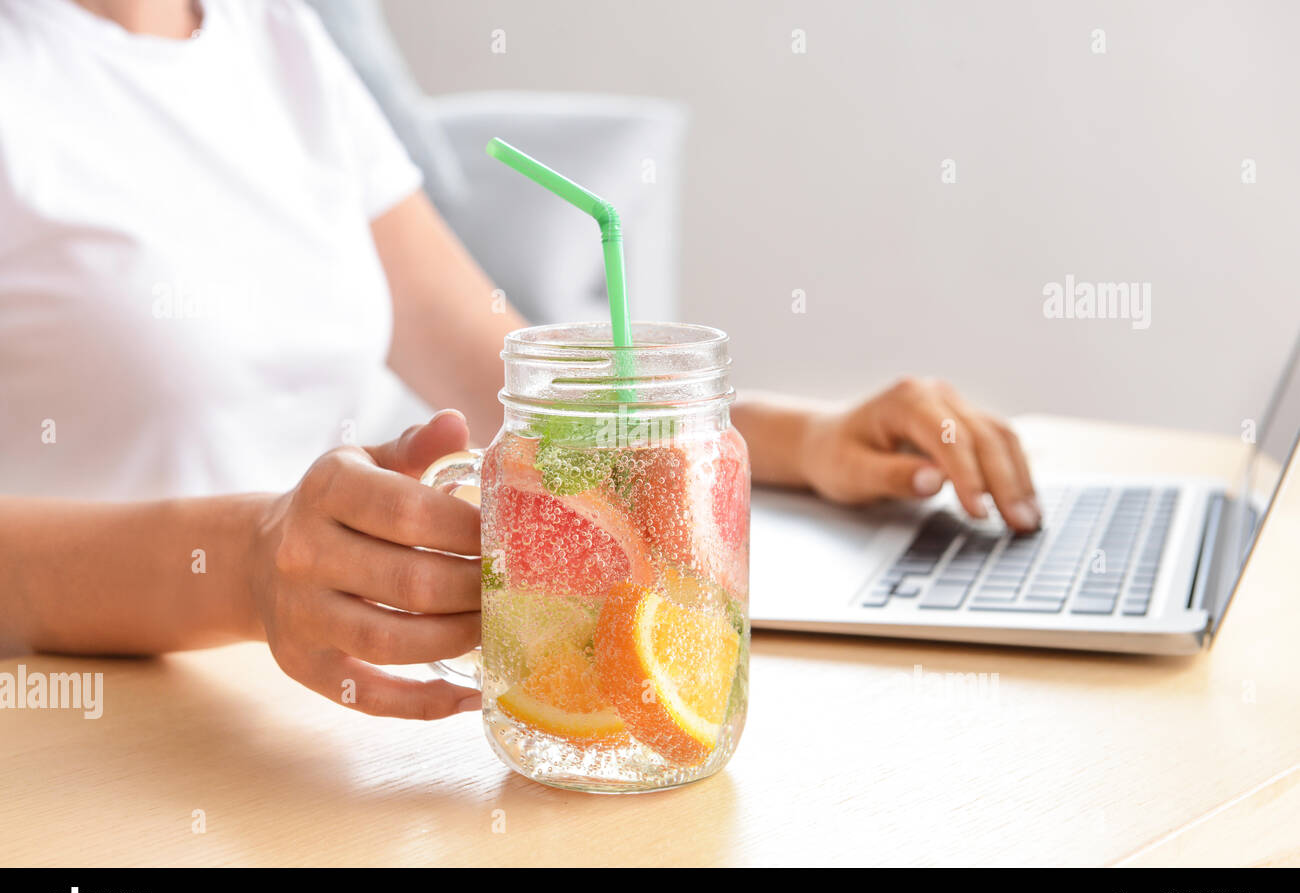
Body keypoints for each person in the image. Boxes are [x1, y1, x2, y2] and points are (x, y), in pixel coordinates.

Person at [0, 0, 1040, 719]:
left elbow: (511, 377)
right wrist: (241, 563)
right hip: (80, 739)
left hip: (306, 724)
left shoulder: (276, 40)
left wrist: (796, 435)